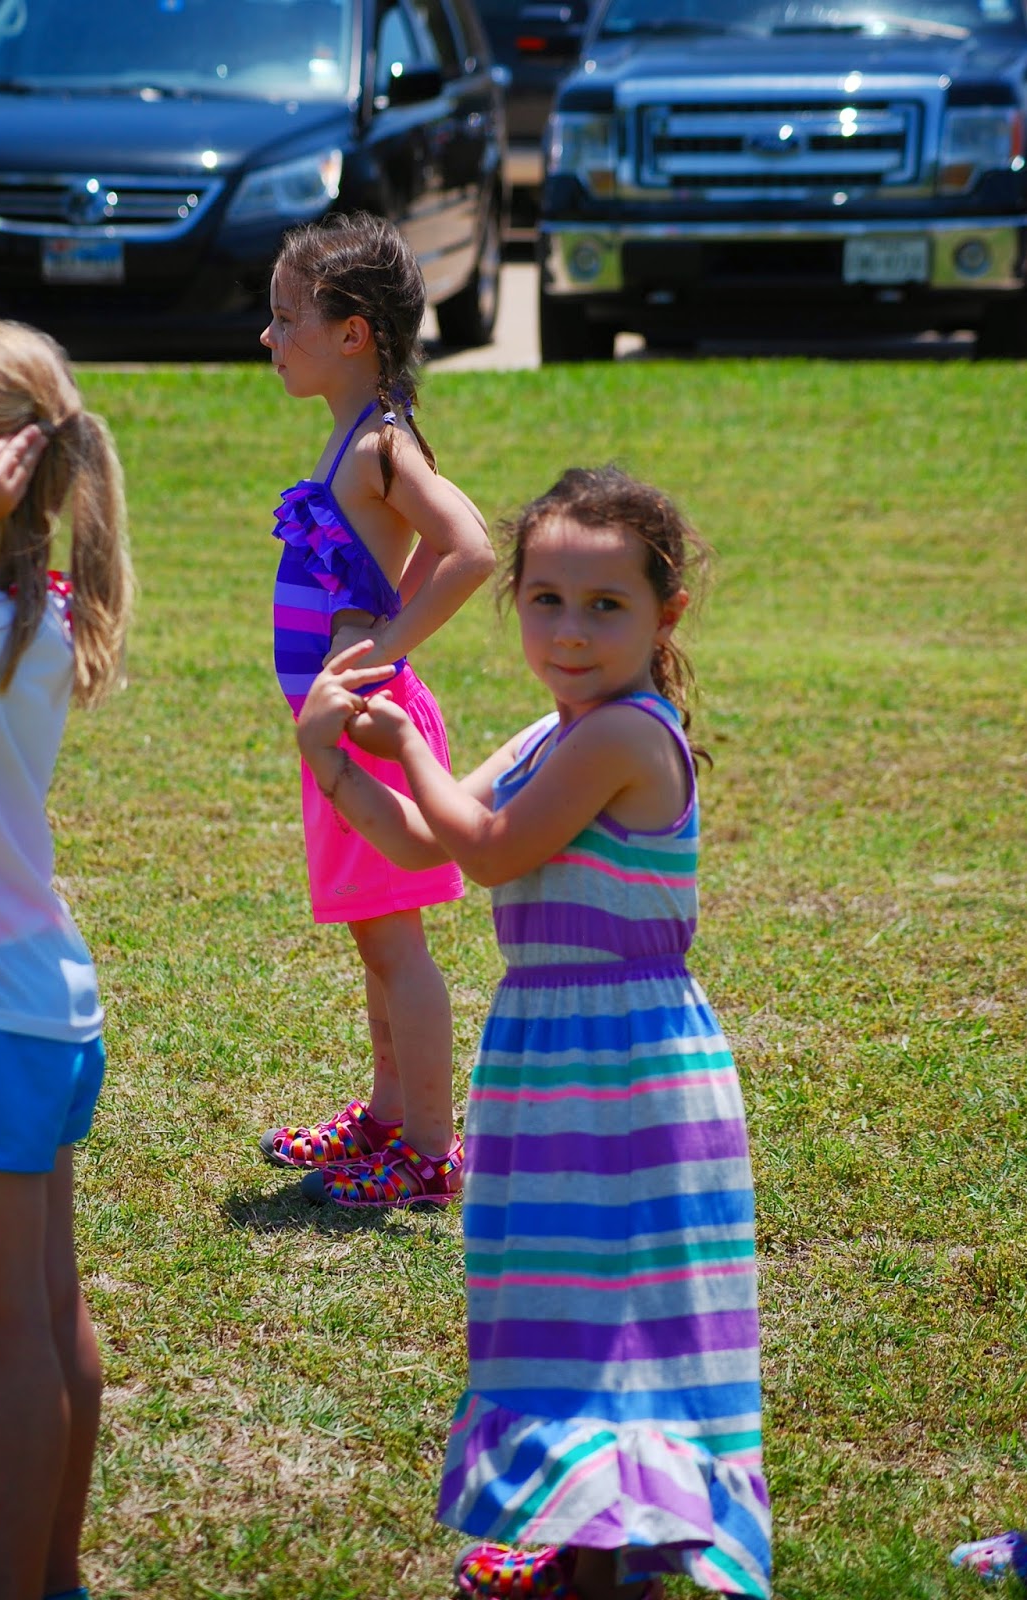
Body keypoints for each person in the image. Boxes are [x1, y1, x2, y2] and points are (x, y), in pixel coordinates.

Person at [295, 465, 772, 1597]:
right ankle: (587, 1544)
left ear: (667, 618)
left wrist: (401, 741)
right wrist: (332, 757)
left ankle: (617, 1557)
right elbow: (424, 844)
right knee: (555, 1296)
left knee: (623, 1306)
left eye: (607, 605)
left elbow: (493, 848)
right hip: (548, 1057)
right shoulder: (550, 731)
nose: (570, 629)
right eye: (548, 599)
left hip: (627, 1065)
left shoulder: (624, 737)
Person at [257, 210, 494, 1207]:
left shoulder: (383, 444)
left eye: (285, 318)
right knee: (373, 935)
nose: (268, 338)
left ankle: (432, 1150)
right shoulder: (351, 433)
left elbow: (472, 547)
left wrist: (381, 652)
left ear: (352, 331)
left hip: (371, 728)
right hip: (338, 730)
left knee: (397, 944)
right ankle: (389, 1114)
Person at [0, 315, 134, 1600]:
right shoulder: (28, 609)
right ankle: (49, 1580)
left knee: (5, 1338)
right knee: (48, 1325)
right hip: (39, 1009)